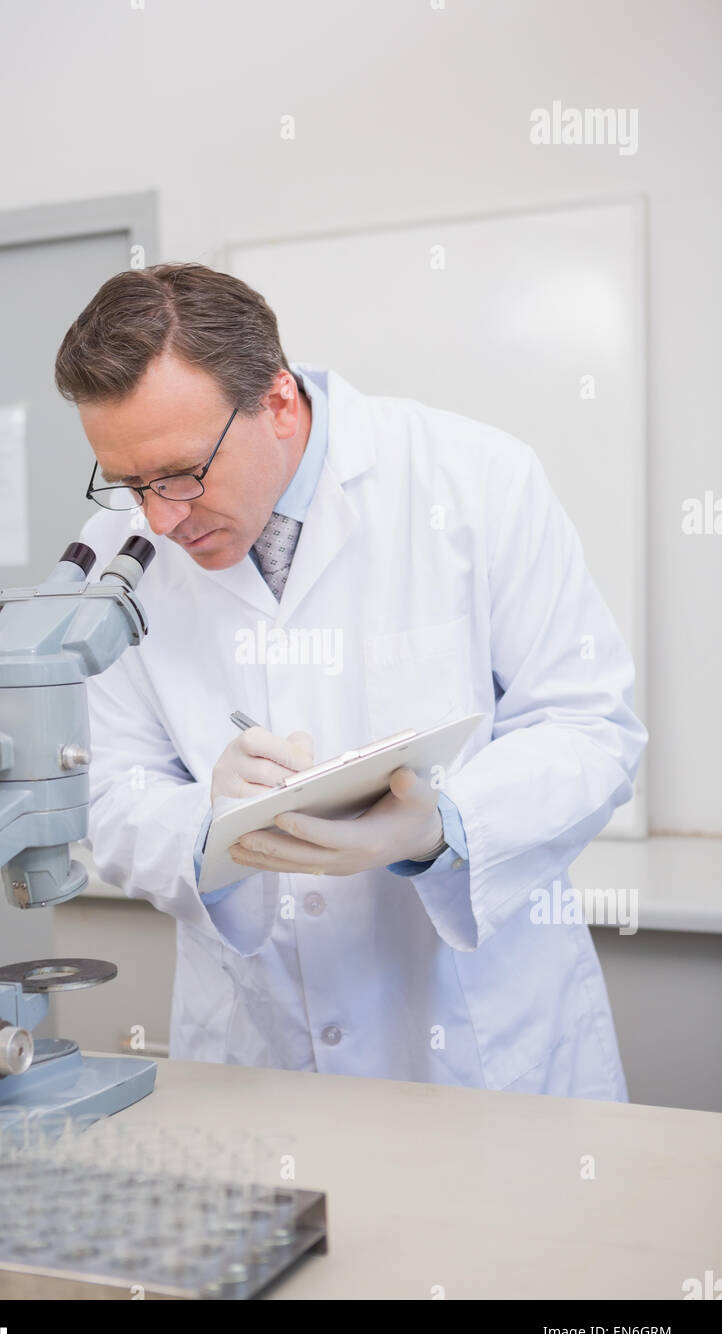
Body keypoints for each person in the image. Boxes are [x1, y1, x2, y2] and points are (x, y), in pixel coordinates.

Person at [54, 262, 647, 1099]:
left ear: (279, 403)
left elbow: (592, 729)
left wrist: (443, 826)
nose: (161, 518)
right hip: (256, 1049)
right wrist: (205, 827)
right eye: (130, 483)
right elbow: (108, 790)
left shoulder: (472, 482)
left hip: (481, 1047)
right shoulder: (121, 554)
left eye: (184, 473)